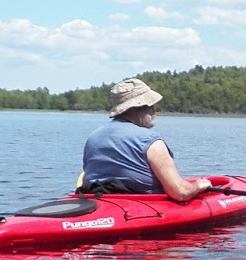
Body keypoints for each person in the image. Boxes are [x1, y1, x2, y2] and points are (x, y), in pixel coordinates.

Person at [79, 78, 214, 200]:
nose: (154, 110)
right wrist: (199, 185)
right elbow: (180, 193)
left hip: (98, 200)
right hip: (140, 207)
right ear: (138, 107)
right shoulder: (151, 141)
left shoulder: (94, 137)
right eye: (150, 105)